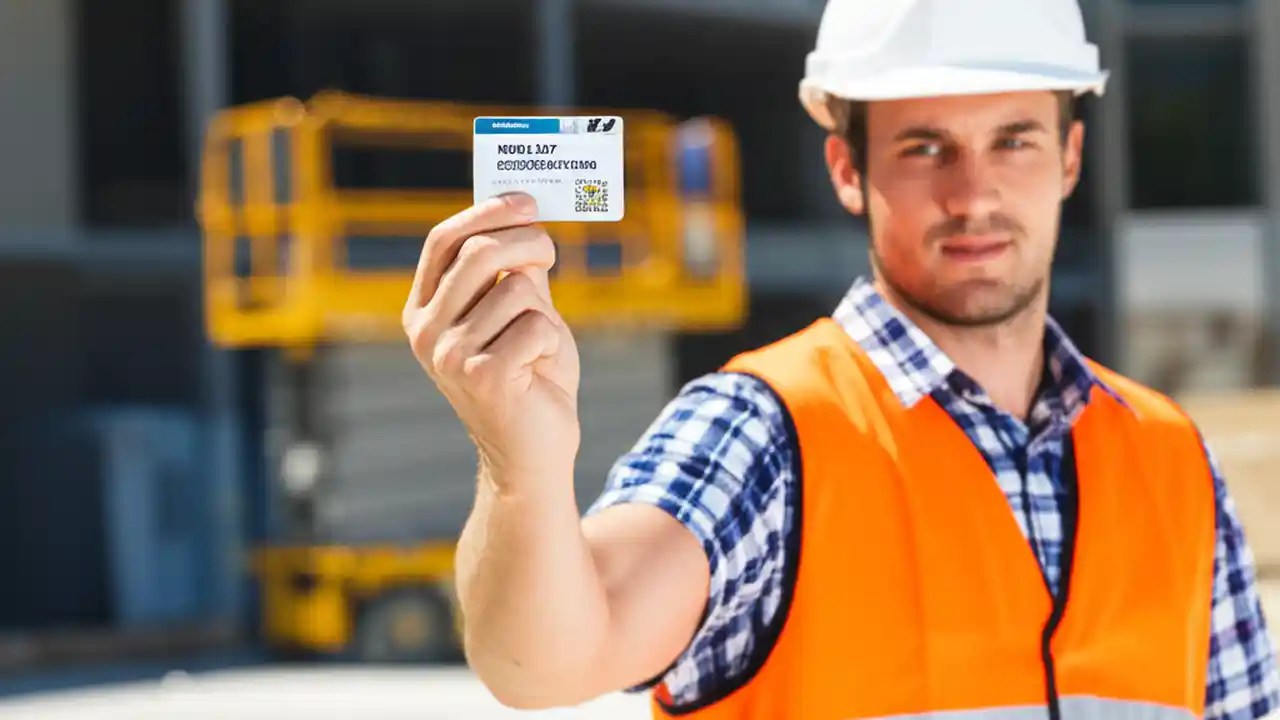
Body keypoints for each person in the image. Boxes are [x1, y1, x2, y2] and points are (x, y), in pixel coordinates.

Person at [403, 0, 1280, 717]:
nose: (973, 192)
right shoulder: (762, 432)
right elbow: (545, 664)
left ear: (1069, 157)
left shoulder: (1171, 457)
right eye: (923, 146)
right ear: (846, 169)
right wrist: (520, 471)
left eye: (1013, 138)